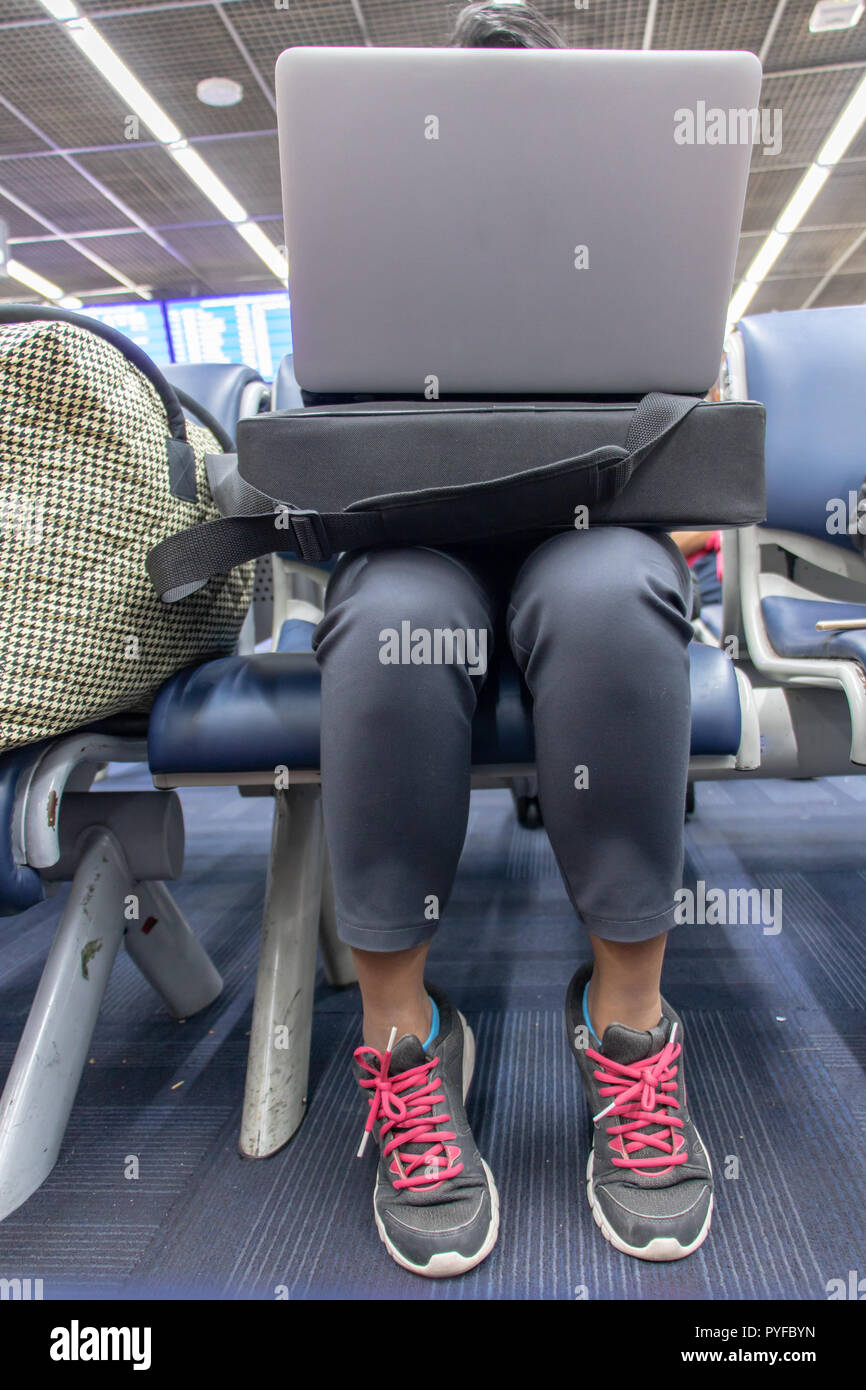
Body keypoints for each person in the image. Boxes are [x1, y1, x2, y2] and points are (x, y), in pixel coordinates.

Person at [313, 2, 713, 1278]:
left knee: (609, 601)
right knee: (386, 624)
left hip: (589, 509)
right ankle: (403, 1038)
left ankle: (630, 1026)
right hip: (414, 520)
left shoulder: (623, 222)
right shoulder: (373, 212)